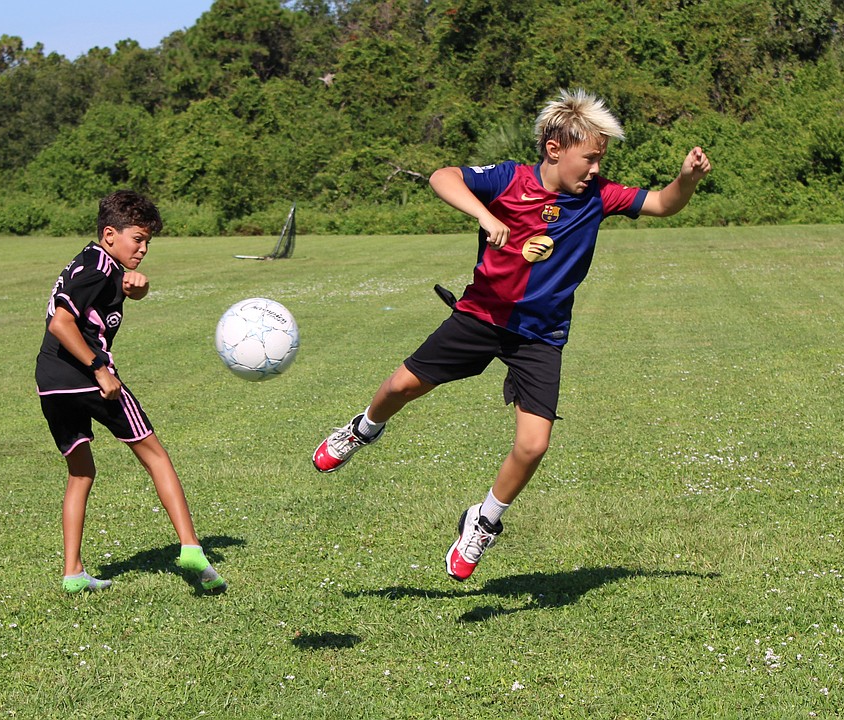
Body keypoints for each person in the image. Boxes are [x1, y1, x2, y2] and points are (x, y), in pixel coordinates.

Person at [313, 88, 712, 581]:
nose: (594, 169)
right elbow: (443, 177)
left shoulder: (599, 196)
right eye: (588, 158)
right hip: (481, 317)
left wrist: (686, 180)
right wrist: (484, 214)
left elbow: (662, 203)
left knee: (533, 445)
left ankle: (483, 521)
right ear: (554, 149)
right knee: (401, 388)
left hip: (540, 336)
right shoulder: (509, 179)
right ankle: (362, 429)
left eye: (599, 160)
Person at [36, 190, 226, 594]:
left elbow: (104, 297)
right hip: (88, 377)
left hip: (50, 381)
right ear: (110, 234)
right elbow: (62, 323)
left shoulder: (94, 261)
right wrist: (100, 370)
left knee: (81, 471)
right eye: (137, 239)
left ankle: (73, 572)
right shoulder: (99, 268)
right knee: (156, 457)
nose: (143, 249)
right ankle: (191, 547)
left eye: (147, 242)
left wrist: (135, 288)